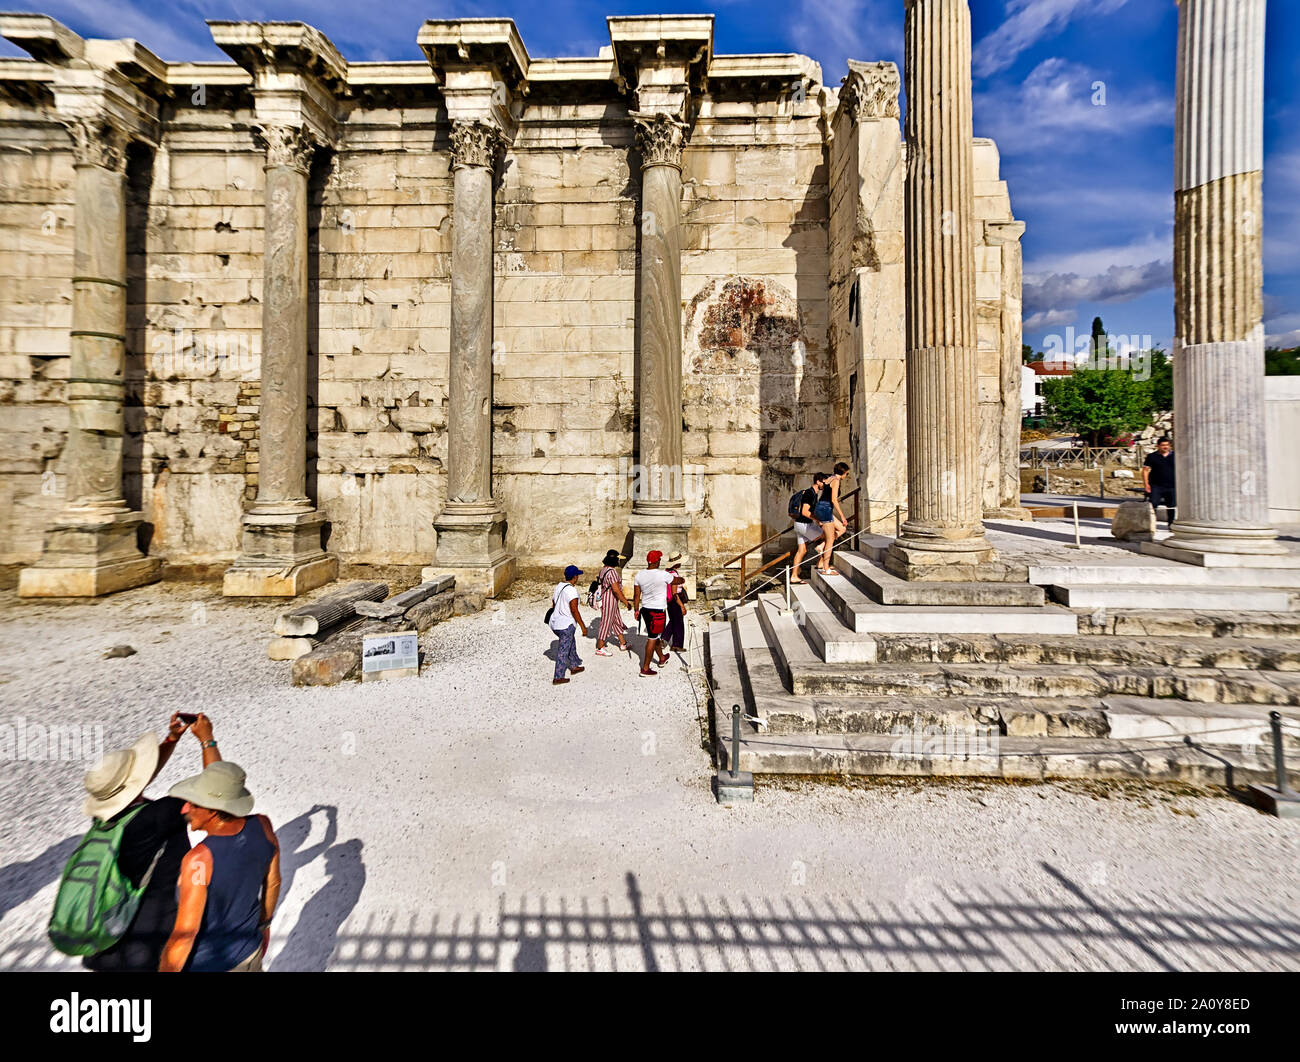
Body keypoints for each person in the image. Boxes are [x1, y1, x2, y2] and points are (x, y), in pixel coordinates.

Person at [78, 713, 224, 973]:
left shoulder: (103, 819)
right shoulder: (162, 815)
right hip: (149, 947)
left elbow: (133, 786)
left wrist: (171, 740)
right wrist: (207, 740)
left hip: (106, 941)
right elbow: (218, 794)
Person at [159, 762, 280, 973]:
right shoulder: (263, 825)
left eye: (194, 804)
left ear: (213, 812)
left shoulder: (199, 860)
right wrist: (265, 924)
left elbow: (186, 935)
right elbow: (273, 882)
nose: (185, 808)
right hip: (249, 956)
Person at [632, 550, 685, 677]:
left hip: (645, 609)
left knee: (654, 634)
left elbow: (636, 595)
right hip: (658, 610)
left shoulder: (639, 575)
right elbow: (677, 581)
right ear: (657, 561)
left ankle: (661, 657)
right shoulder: (663, 575)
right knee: (652, 638)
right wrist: (682, 578)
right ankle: (645, 668)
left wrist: (636, 610)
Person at [549, 563, 588, 685]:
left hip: (555, 623)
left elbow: (554, 602)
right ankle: (558, 676)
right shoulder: (572, 591)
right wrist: (583, 626)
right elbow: (574, 610)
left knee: (570, 643)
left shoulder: (559, 586)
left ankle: (574, 665)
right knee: (563, 650)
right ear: (575, 577)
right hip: (566, 625)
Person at [790, 472, 827, 584]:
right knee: (828, 536)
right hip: (804, 525)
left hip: (800, 525)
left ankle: (794, 576)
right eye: (823, 483)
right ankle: (820, 562)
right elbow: (805, 512)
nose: (824, 485)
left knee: (802, 551)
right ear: (818, 482)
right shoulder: (809, 494)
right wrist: (818, 520)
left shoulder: (814, 494)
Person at [815, 461, 852, 575]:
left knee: (841, 529)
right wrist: (842, 516)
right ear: (844, 472)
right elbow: (834, 500)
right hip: (826, 509)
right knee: (830, 540)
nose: (846, 476)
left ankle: (821, 547)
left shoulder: (829, 478)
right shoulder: (835, 481)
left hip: (822, 507)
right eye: (847, 473)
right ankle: (826, 568)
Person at [593, 550, 632, 657]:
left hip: (608, 600)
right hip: (610, 600)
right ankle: (600, 647)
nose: (619, 561)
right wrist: (626, 602)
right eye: (618, 559)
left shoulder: (603, 570)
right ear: (614, 559)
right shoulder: (612, 572)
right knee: (606, 623)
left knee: (616, 621)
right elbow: (616, 590)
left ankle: (623, 643)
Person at [1143, 436, 1176, 526]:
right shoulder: (1152, 456)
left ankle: (1171, 523)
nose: (1165, 447)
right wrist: (1146, 484)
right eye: (1163, 445)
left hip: (1172, 485)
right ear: (1158, 446)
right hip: (1156, 485)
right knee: (1153, 504)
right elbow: (1145, 470)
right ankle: (1151, 524)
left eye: (1167, 445)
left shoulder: (1175, 456)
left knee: (1171, 505)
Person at [664, 553, 688, 653]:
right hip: (675, 600)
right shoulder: (673, 575)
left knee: (673, 620)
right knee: (679, 623)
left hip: (669, 600)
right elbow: (674, 593)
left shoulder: (667, 572)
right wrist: (682, 606)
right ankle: (677, 645)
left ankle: (664, 639)